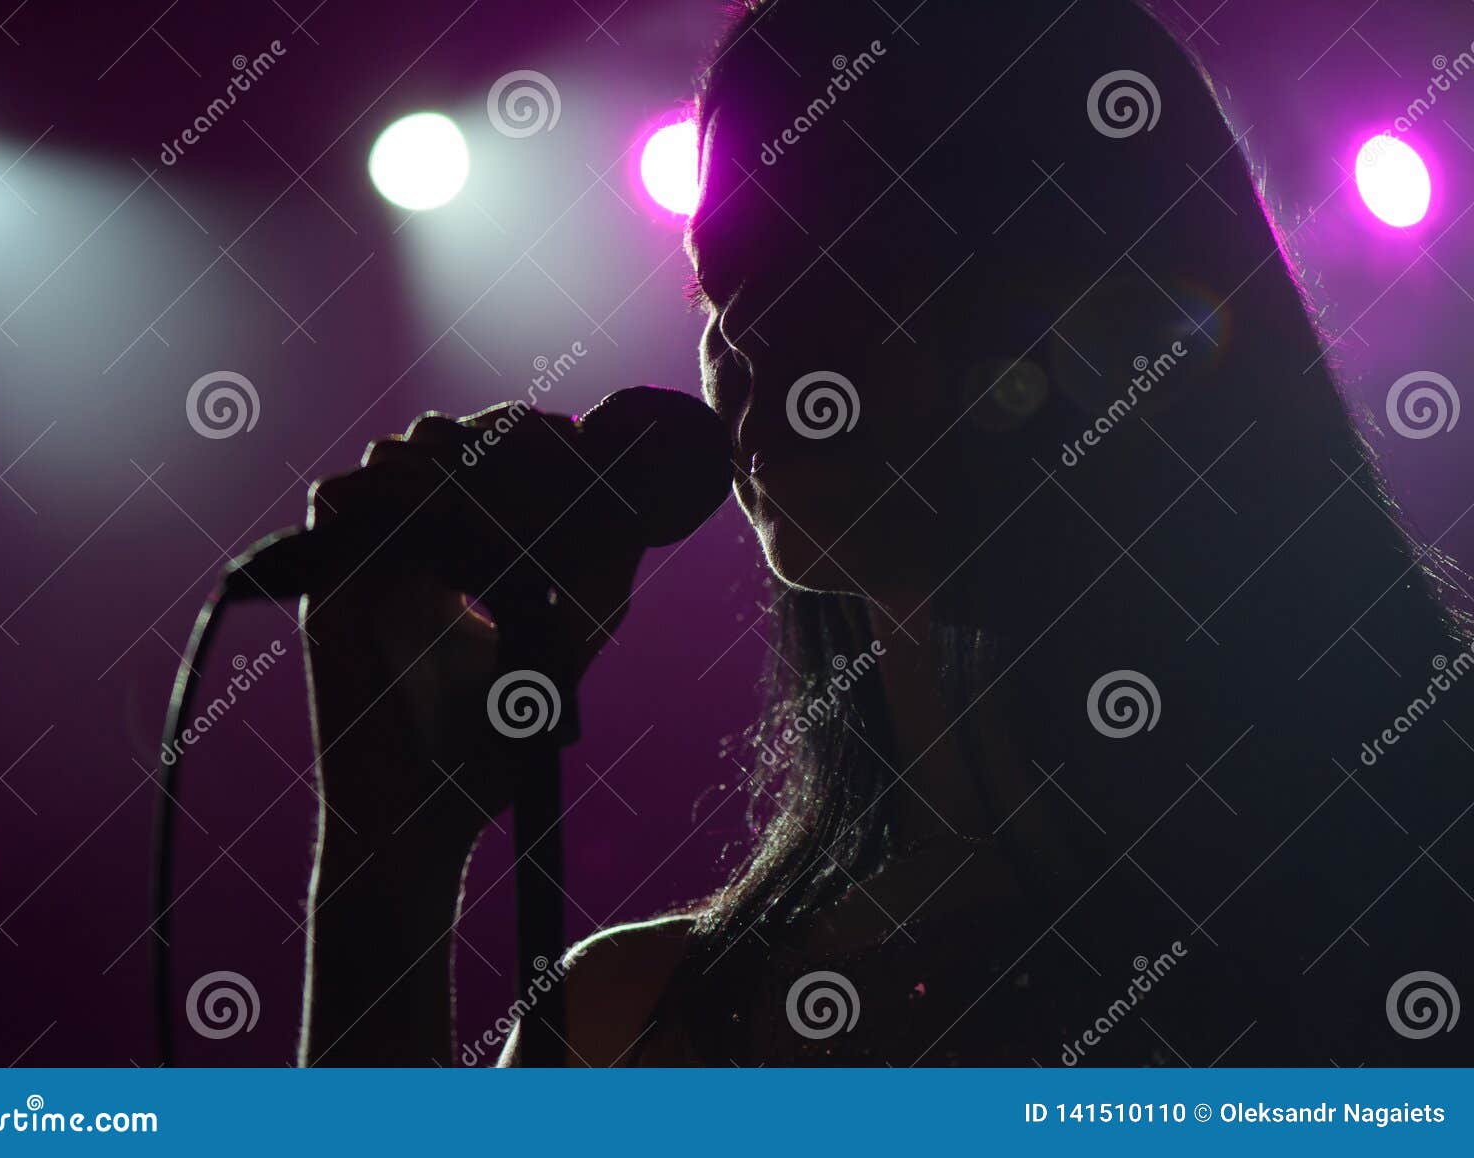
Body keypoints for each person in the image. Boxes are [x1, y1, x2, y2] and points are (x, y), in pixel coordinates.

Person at [296, 0, 1474, 1066]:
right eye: (721, 283)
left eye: (837, 249)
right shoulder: (627, 1015)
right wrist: (386, 855)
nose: (747, 336)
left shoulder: (1414, 876)